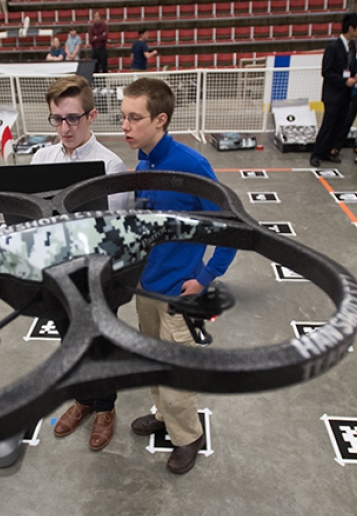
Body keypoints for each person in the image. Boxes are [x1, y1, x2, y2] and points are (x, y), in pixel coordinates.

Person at [121, 77, 236, 474]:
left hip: (177, 292)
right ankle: (165, 416)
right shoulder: (143, 163)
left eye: (135, 118)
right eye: (123, 117)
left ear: (161, 119)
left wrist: (204, 278)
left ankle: (187, 436)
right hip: (145, 287)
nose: (126, 126)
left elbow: (231, 227)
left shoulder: (191, 166)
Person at [42, 75, 131, 453]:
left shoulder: (111, 167)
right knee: (68, 341)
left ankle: (106, 408)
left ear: (92, 116)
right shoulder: (40, 159)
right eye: (57, 120)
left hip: (97, 274)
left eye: (73, 118)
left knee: (100, 344)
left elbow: (111, 232)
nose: (65, 128)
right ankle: (82, 399)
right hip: (57, 272)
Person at [309, 12, 357, 167]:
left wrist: (354, 75)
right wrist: (344, 82)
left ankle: (328, 151)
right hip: (333, 94)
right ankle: (317, 153)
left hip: (346, 94)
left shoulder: (352, 47)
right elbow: (327, 71)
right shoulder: (333, 47)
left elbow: (349, 67)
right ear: (351, 28)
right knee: (328, 124)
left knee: (339, 125)